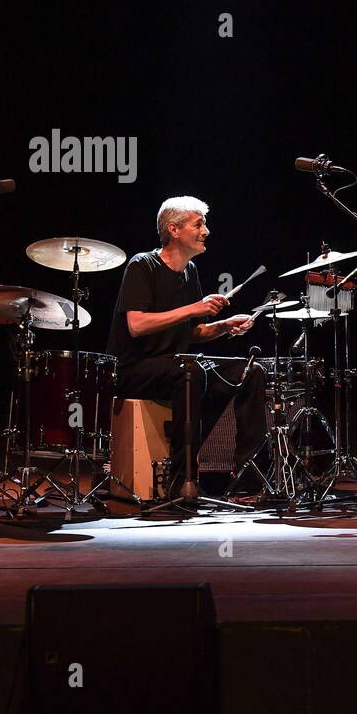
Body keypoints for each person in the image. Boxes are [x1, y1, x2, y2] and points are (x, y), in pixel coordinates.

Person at [107, 196, 267, 492]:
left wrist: (224, 326)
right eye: (198, 224)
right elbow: (137, 325)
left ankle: (248, 479)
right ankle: (182, 480)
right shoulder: (143, 265)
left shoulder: (189, 271)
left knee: (250, 372)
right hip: (135, 370)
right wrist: (195, 308)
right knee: (192, 370)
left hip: (178, 367)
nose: (206, 230)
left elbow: (194, 333)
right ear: (174, 229)